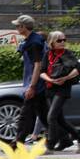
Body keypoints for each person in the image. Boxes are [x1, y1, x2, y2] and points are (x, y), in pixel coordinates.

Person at [9, 14, 48, 145]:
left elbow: (38, 65)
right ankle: (65, 138)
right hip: (36, 83)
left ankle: (17, 143)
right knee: (45, 115)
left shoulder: (34, 43)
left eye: (17, 26)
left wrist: (32, 86)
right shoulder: (32, 40)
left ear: (24, 27)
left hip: (36, 84)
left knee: (25, 115)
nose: (16, 28)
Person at [41, 31, 80, 151]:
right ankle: (79, 138)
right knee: (59, 119)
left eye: (64, 40)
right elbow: (42, 71)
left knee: (51, 117)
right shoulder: (48, 54)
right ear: (52, 42)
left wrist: (65, 78)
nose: (63, 42)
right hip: (50, 88)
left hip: (63, 88)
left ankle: (50, 145)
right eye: (59, 40)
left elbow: (78, 69)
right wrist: (50, 80)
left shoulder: (67, 53)